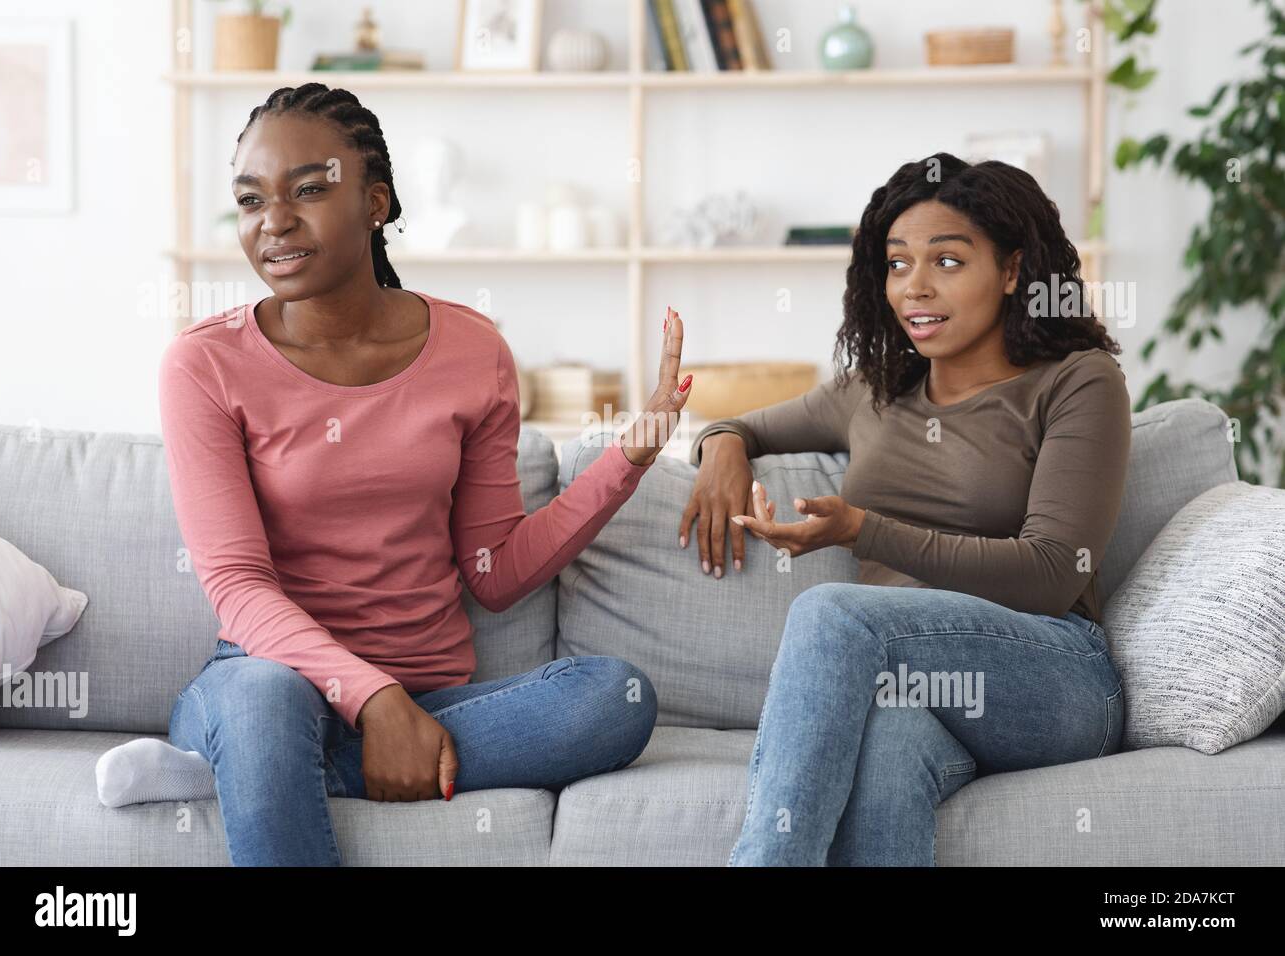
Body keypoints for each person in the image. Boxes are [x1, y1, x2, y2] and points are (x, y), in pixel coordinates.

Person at [144, 83, 692, 866]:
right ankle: (259, 757)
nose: (275, 221)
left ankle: (251, 777)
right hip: (266, 684)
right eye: (250, 199)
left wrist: (627, 457)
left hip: (432, 697)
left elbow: (495, 572)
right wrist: (372, 698)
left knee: (614, 698)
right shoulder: (204, 365)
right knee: (264, 703)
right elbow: (238, 586)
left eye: (309, 189)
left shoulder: (472, 352)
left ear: (376, 201)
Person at [681, 152, 1131, 866]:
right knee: (888, 744)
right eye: (897, 264)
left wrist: (866, 529)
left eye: (947, 262)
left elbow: (1053, 572)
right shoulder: (874, 391)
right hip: (914, 689)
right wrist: (722, 449)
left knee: (833, 612)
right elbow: (743, 424)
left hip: (1053, 678)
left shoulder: (1078, 383)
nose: (915, 286)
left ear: (1013, 270)